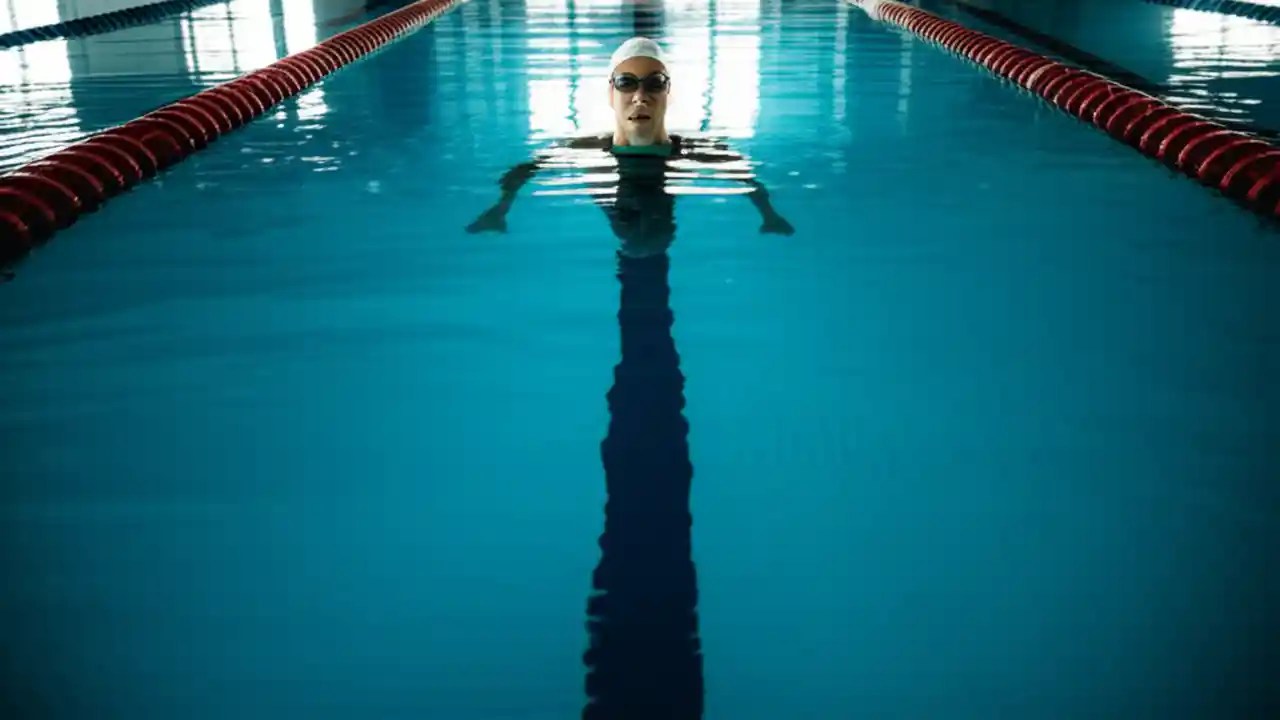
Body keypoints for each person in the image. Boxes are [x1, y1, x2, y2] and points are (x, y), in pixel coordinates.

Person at [466, 36, 794, 251]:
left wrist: (770, 215)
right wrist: (499, 208)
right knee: (638, 235)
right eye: (626, 83)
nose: (640, 97)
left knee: (650, 235)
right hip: (624, 200)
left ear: (669, 93)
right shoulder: (585, 148)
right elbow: (527, 168)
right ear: (610, 93)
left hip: (655, 204)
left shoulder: (694, 149)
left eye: (655, 83)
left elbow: (744, 174)